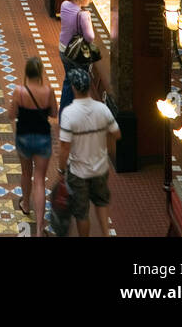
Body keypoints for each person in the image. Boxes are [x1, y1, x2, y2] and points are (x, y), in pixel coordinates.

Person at [57, 66, 121, 237]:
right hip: (100, 168)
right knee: (101, 202)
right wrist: (105, 148)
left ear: (74, 88)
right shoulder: (102, 109)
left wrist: (60, 170)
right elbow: (117, 133)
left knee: (81, 212)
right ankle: (106, 234)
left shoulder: (69, 114)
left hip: (79, 172)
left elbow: (64, 148)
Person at [10, 57, 57, 235]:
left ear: (26, 72)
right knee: (39, 180)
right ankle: (39, 226)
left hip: (23, 137)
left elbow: (11, 114)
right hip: (43, 138)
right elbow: (54, 113)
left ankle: (25, 204)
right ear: (41, 73)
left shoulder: (19, 91)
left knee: (26, 173)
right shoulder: (48, 91)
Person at [59, 0, 95, 114]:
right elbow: (90, 37)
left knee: (68, 81)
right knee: (80, 86)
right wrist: (88, 20)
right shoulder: (84, 15)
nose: (90, 1)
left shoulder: (64, 5)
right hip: (76, 54)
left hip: (63, 49)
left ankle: (64, 116)